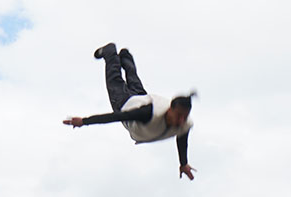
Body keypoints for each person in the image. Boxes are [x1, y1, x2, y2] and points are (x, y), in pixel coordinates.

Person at [63, 43, 196, 180]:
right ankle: (110, 52)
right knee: (114, 78)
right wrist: (84, 121)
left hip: (142, 98)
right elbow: (116, 117)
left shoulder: (184, 125)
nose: (181, 121)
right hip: (124, 102)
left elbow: (182, 141)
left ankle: (125, 56)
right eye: (178, 116)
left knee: (133, 79)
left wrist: (183, 164)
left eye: (184, 117)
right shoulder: (147, 114)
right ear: (170, 110)